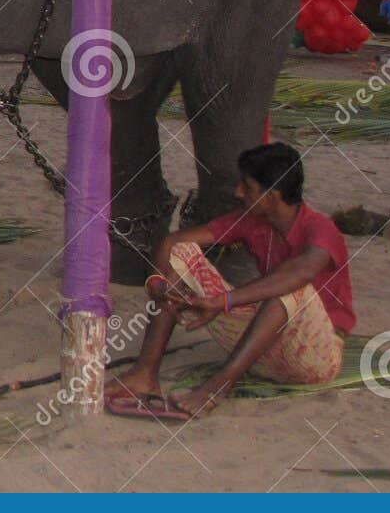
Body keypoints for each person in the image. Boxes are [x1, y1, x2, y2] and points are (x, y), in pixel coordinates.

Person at [109, 142, 356, 421]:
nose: (239, 192)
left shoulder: (321, 228)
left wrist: (224, 300)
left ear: (273, 195)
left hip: (314, 358)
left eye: (247, 187)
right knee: (182, 253)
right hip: (262, 346)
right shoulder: (252, 220)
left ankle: (215, 389)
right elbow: (173, 242)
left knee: (288, 289)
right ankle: (145, 373)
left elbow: (301, 273)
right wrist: (156, 280)